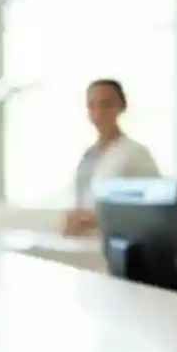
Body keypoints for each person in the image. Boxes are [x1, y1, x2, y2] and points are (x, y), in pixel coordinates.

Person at [63, 79, 159, 235]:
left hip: (118, 239)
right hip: (84, 241)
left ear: (121, 107)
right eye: (91, 105)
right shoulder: (88, 156)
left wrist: (101, 218)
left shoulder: (136, 153)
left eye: (105, 104)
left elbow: (152, 208)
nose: (98, 112)